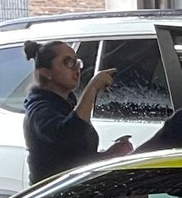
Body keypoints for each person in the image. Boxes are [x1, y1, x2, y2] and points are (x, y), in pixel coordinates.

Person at [22, 39, 132, 184]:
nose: (76, 69)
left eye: (77, 62)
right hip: (56, 194)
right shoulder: (40, 108)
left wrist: (108, 155)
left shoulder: (66, 102)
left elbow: (74, 157)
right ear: (46, 73)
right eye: (68, 62)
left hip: (74, 189)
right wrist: (92, 88)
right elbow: (70, 135)